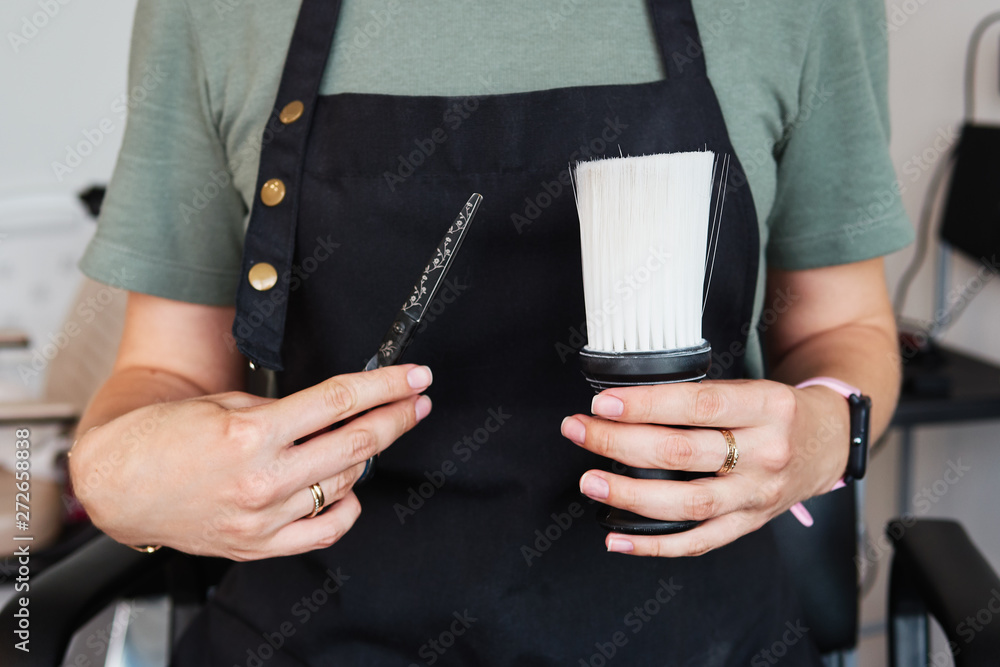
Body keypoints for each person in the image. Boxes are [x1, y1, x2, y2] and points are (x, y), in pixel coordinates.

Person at [70, 0, 914, 664]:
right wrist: (120, 481)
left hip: (697, 637)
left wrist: (823, 434)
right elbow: (163, 374)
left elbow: (844, 324)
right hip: (316, 634)